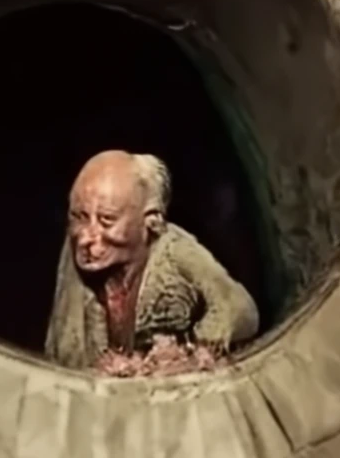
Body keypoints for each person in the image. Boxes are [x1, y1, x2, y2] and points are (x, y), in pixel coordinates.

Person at [45, 150, 259, 372]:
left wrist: (194, 352)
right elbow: (62, 346)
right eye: (79, 217)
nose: (85, 237)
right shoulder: (75, 255)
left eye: (106, 220)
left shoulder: (175, 250)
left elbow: (239, 307)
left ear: (151, 220)